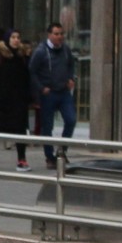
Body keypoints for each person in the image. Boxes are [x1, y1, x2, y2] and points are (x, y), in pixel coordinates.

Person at [29, 22, 78, 170]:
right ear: (49, 35)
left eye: (61, 34)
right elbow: (32, 70)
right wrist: (41, 88)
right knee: (47, 126)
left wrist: (71, 78)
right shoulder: (41, 51)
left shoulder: (65, 50)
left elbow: (71, 64)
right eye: (56, 34)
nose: (59, 37)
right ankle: (49, 157)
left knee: (71, 120)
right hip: (49, 93)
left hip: (63, 91)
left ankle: (62, 152)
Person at [0, 30, 33, 172]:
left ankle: (21, 160)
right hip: (0, 100)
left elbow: (27, 76)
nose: (16, 40)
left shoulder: (22, 56)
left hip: (18, 100)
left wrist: (28, 97)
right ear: (7, 39)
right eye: (13, 37)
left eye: (18, 37)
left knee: (20, 130)